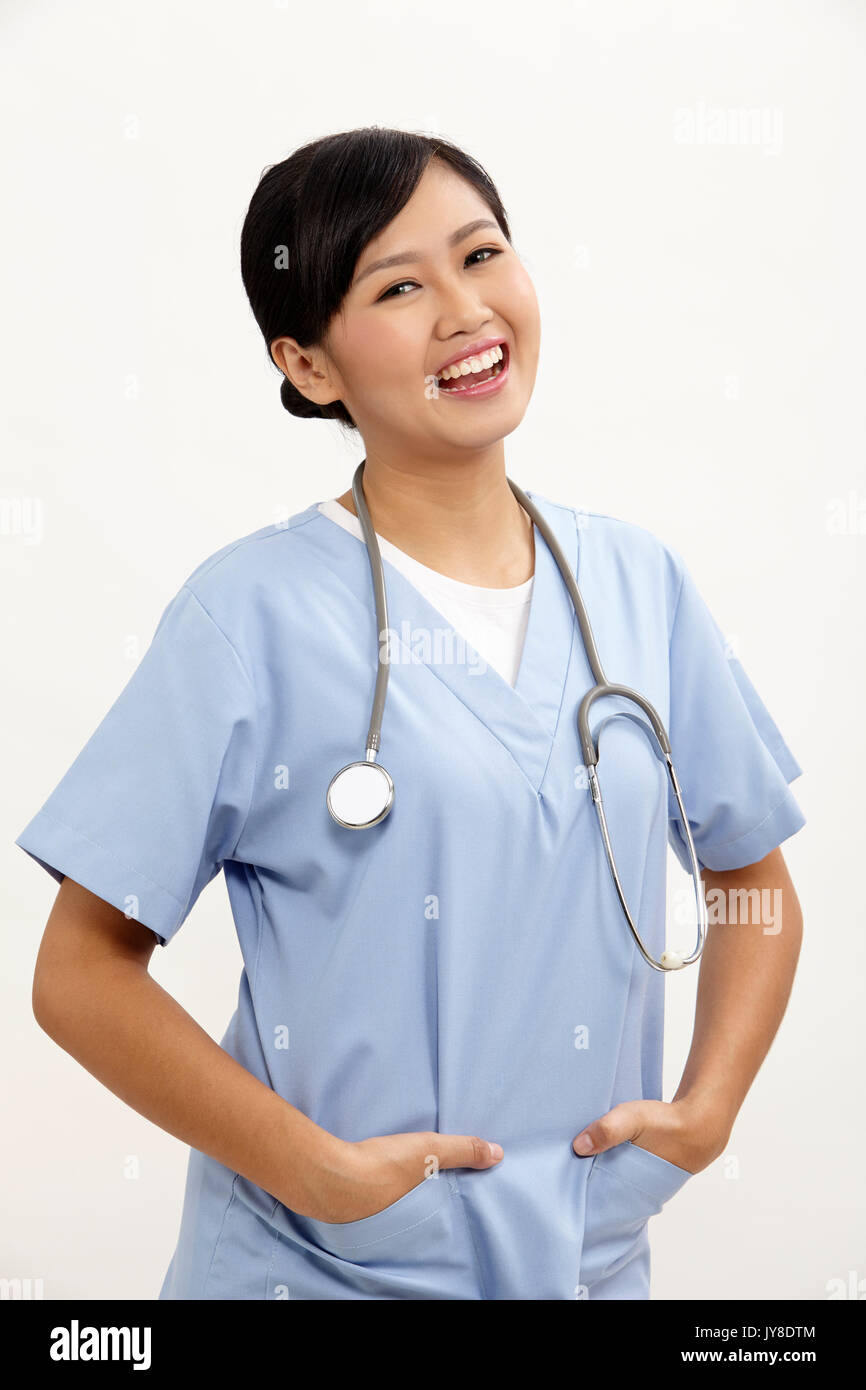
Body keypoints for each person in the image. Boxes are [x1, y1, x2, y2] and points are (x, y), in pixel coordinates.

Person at [16, 126, 806, 1301]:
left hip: (582, 1255)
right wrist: (313, 1169)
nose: (462, 310)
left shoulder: (636, 584)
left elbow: (750, 880)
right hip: (316, 1266)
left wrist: (706, 1111)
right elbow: (80, 975)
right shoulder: (248, 616)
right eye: (397, 285)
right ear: (310, 366)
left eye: (481, 255)